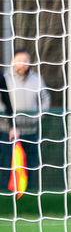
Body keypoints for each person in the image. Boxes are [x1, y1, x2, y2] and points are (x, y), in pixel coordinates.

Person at [2, 49, 49, 193]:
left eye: (26, 60)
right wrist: (8, 122)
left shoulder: (37, 79)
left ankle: (29, 194)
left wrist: (36, 117)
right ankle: (5, 194)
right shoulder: (5, 78)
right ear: (12, 61)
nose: (22, 64)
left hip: (30, 131)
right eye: (19, 60)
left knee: (30, 165)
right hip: (6, 131)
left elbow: (45, 99)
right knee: (6, 164)